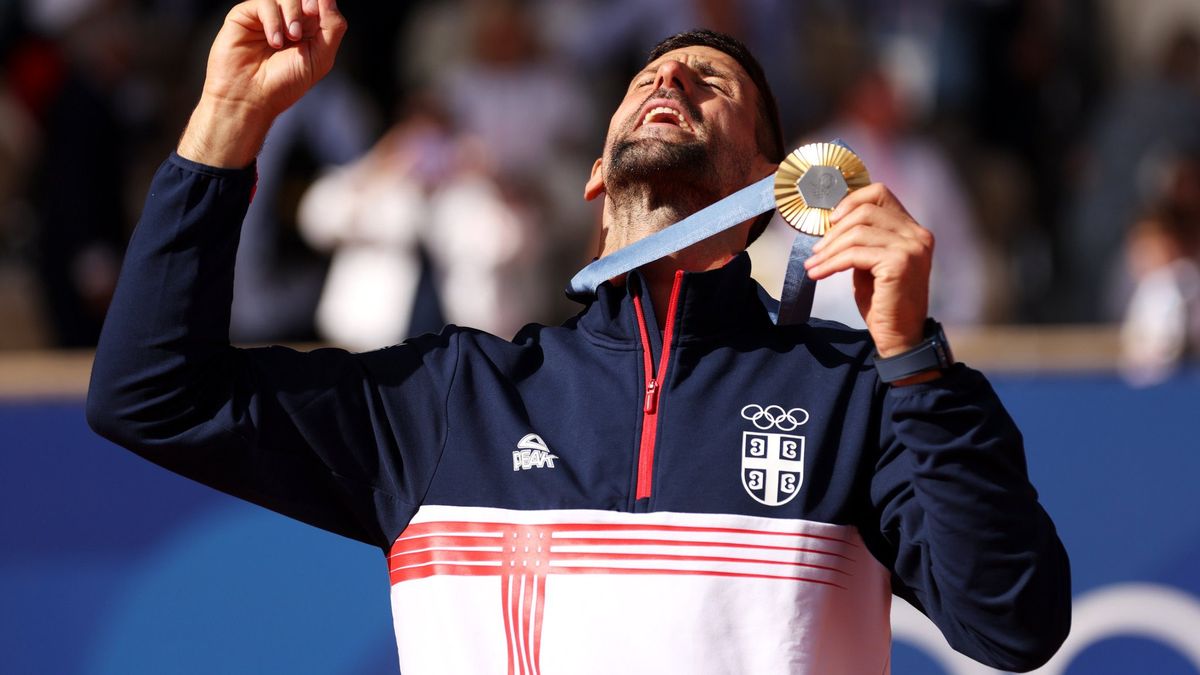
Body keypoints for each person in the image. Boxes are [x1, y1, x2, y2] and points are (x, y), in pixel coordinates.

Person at [87, 1, 1070, 673]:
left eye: (711, 83)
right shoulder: (453, 399)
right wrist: (223, 124)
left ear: (781, 186)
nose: (673, 74)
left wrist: (914, 360)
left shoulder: (857, 397)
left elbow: (1013, 624)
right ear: (597, 178)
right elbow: (151, 395)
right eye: (649, 74)